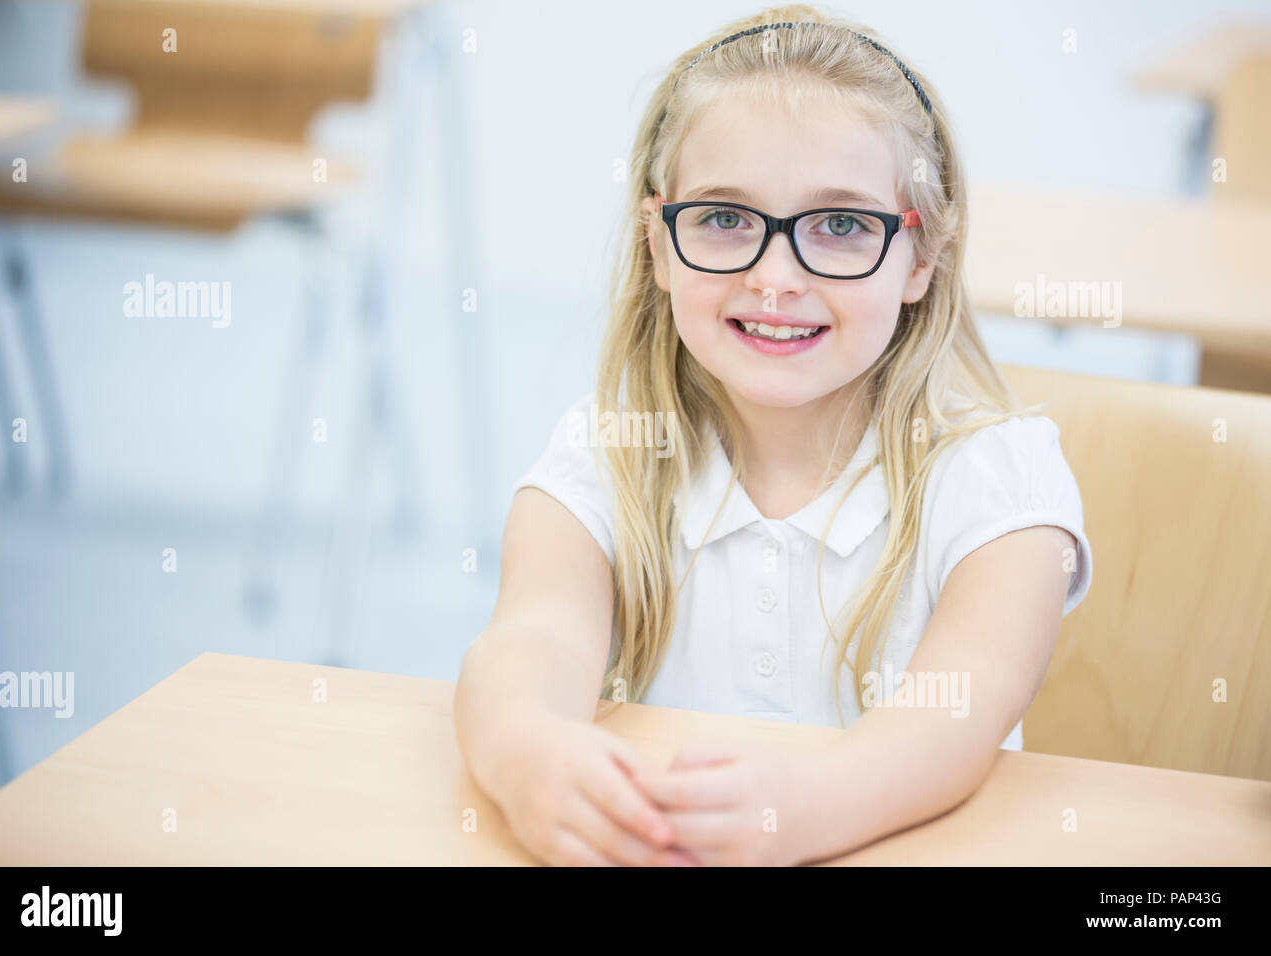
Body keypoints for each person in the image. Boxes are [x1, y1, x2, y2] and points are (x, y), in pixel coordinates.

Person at [454, 5, 1092, 866]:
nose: (775, 277)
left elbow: (961, 706)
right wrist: (524, 753)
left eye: (840, 225)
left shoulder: (1000, 481)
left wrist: (809, 806)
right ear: (658, 244)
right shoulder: (607, 450)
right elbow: (531, 640)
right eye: (723, 219)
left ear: (923, 254)